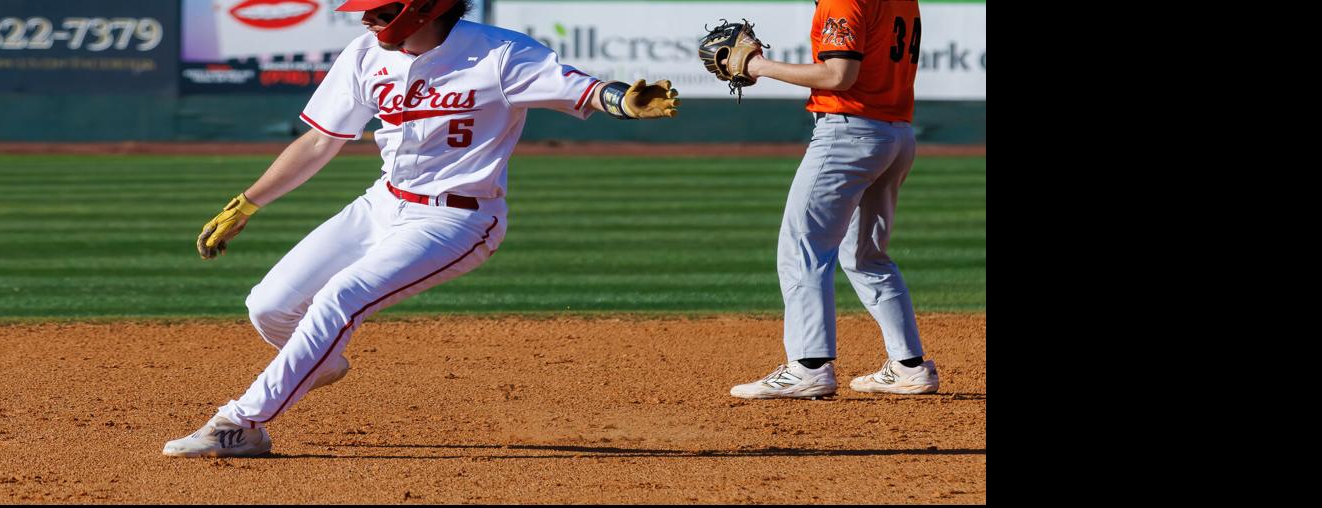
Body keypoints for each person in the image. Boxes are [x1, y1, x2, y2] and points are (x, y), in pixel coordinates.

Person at [164, 0, 679, 457]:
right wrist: (247, 204)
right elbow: (320, 142)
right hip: (381, 202)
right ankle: (318, 366)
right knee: (269, 306)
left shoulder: (499, 54)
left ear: (426, 8)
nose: (368, 18)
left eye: (383, 11)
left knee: (343, 295)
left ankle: (241, 424)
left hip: (459, 217)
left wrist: (623, 101)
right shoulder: (366, 54)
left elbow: (585, 89)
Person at [728, 0, 938, 400]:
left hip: (849, 134)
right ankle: (910, 366)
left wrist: (759, 66)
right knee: (866, 255)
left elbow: (839, 75)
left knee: (803, 245)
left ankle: (808, 367)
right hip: (896, 135)